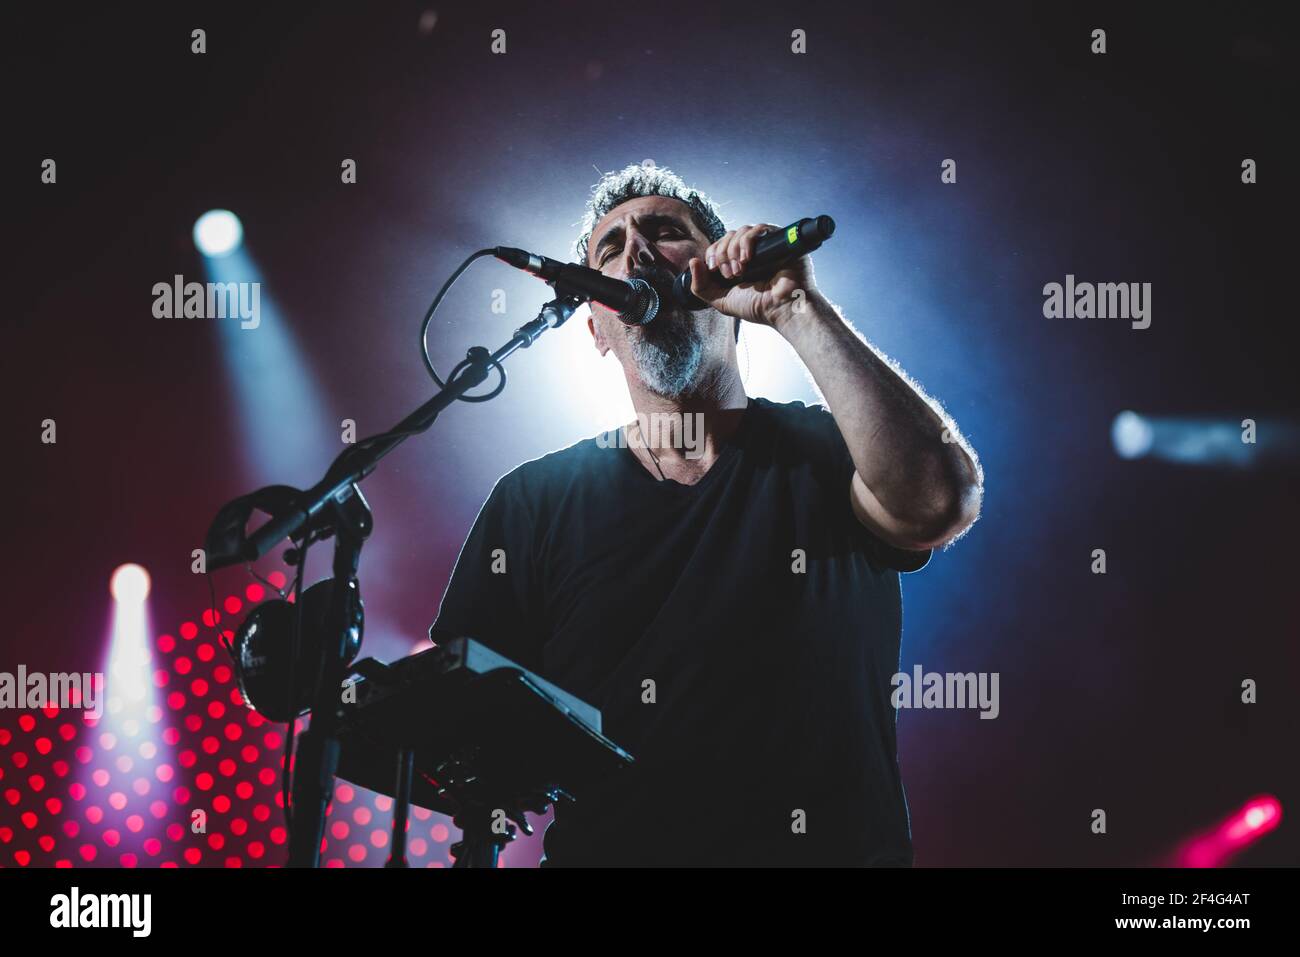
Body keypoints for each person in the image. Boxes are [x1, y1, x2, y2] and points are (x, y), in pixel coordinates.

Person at [431, 164, 983, 865]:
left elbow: (939, 500)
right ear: (598, 329)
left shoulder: (824, 447)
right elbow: (461, 722)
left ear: (720, 279)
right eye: (610, 248)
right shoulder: (534, 501)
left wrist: (794, 308)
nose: (635, 254)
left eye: (665, 233)